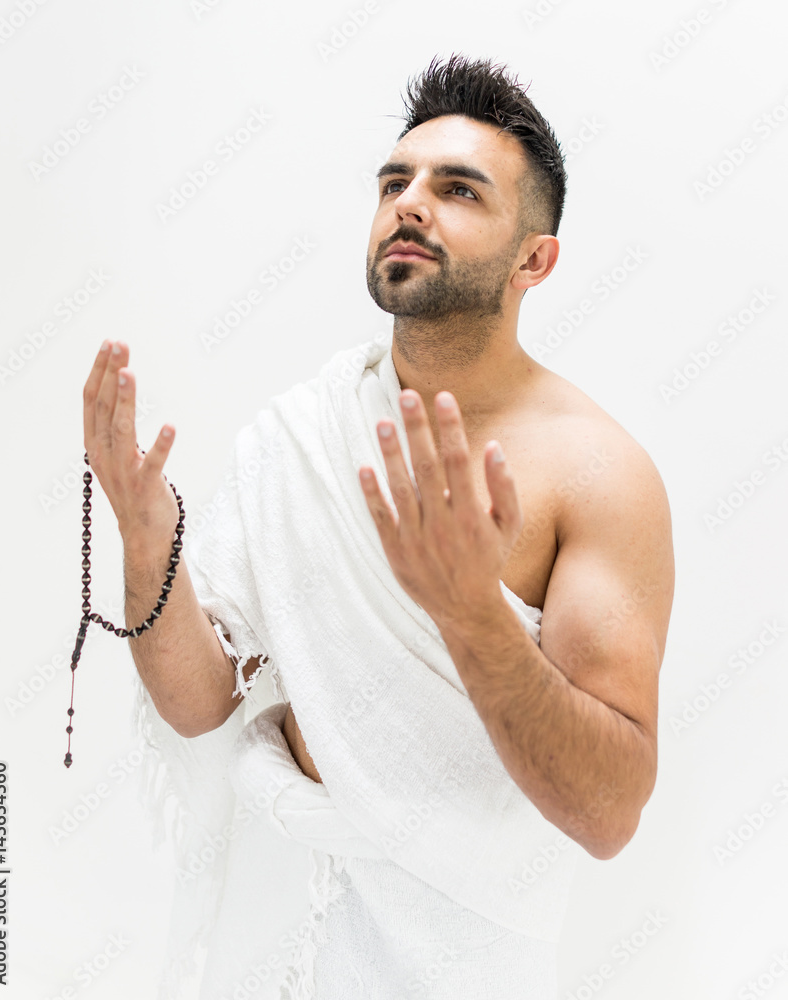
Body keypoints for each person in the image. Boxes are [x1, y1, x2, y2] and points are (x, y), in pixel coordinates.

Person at [82, 53, 674, 1000]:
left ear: (535, 258)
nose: (409, 203)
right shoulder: (304, 434)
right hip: (276, 928)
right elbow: (202, 705)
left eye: (458, 190)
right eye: (394, 182)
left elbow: (607, 813)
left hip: (458, 956)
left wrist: (466, 613)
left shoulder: (598, 476)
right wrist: (147, 539)